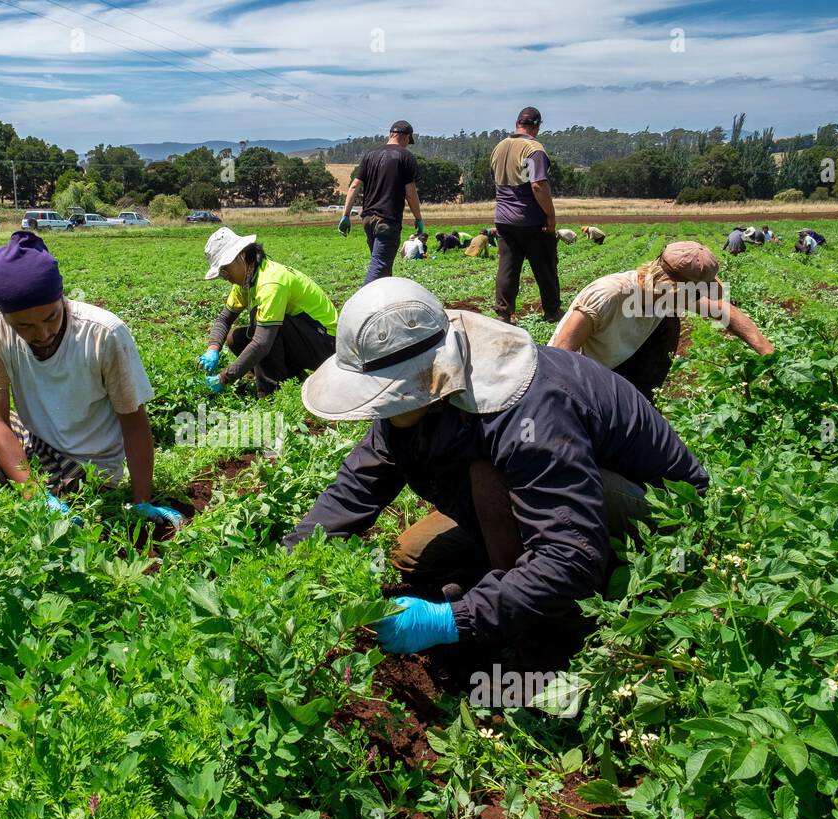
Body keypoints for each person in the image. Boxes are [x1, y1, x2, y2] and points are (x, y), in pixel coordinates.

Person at [283, 277, 709, 651]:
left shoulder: (527, 407)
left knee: (487, 479)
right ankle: (506, 586)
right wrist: (289, 560)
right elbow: (358, 483)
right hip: (557, 489)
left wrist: (453, 620)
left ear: (424, 381)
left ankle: (551, 630)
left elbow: (570, 554)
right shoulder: (416, 403)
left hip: (664, 512)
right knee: (413, 556)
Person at [0, 231, 181, 526]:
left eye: (50, 317)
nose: (41, 334)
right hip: (31, 440)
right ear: (4, 316)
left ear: (62, 298)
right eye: (24, 325)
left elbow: (134, 424)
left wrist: (141, 500)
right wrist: (34, 493)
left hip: (81, 469)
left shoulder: (103, 334)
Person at [548, 241, 774, 404]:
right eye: (695, 292)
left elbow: (726, 312)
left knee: (669, 321)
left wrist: (768, 353)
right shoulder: (610, 295)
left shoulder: (665, 296)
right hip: (580, 377)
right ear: (674, 287)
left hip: (619, 365)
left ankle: (640, 401)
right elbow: (559, 356)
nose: (698, 298)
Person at [198, 227, 337, 397]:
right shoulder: (246, 280)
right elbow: (224, 319)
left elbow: (261, 344)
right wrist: (213, 348)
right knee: (235, 338)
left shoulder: (270, 282)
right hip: (305, 338)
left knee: (263, 330)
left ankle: (270, 395)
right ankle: (293, 376)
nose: (224, 276)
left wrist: (224, 377)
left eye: (224, 269)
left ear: (241, 256)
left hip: (326, 345)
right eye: (221, 273)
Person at [490, 107, 562, 324]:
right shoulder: (533, 148)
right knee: (546, 266)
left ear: (517, 123)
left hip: (503, 218)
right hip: (529, 219)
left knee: (508, 267)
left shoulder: (499, 147)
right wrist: (550, 216)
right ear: (537, 126)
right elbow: (538, 184)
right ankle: (551, 311)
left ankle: (504, 314)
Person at [338, 120, 425, 285]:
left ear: (391, 134)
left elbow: (354, 185)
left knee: (382, 268)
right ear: (406, 137)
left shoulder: (370, 155)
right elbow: (410, 193)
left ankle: (383, 305)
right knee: (379, 267)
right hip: (387, 221)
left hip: (368, 220)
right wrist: (418, 218)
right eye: (408, 141)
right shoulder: (405, 156)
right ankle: (361, 306)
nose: (407, 144)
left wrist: (346, 215)